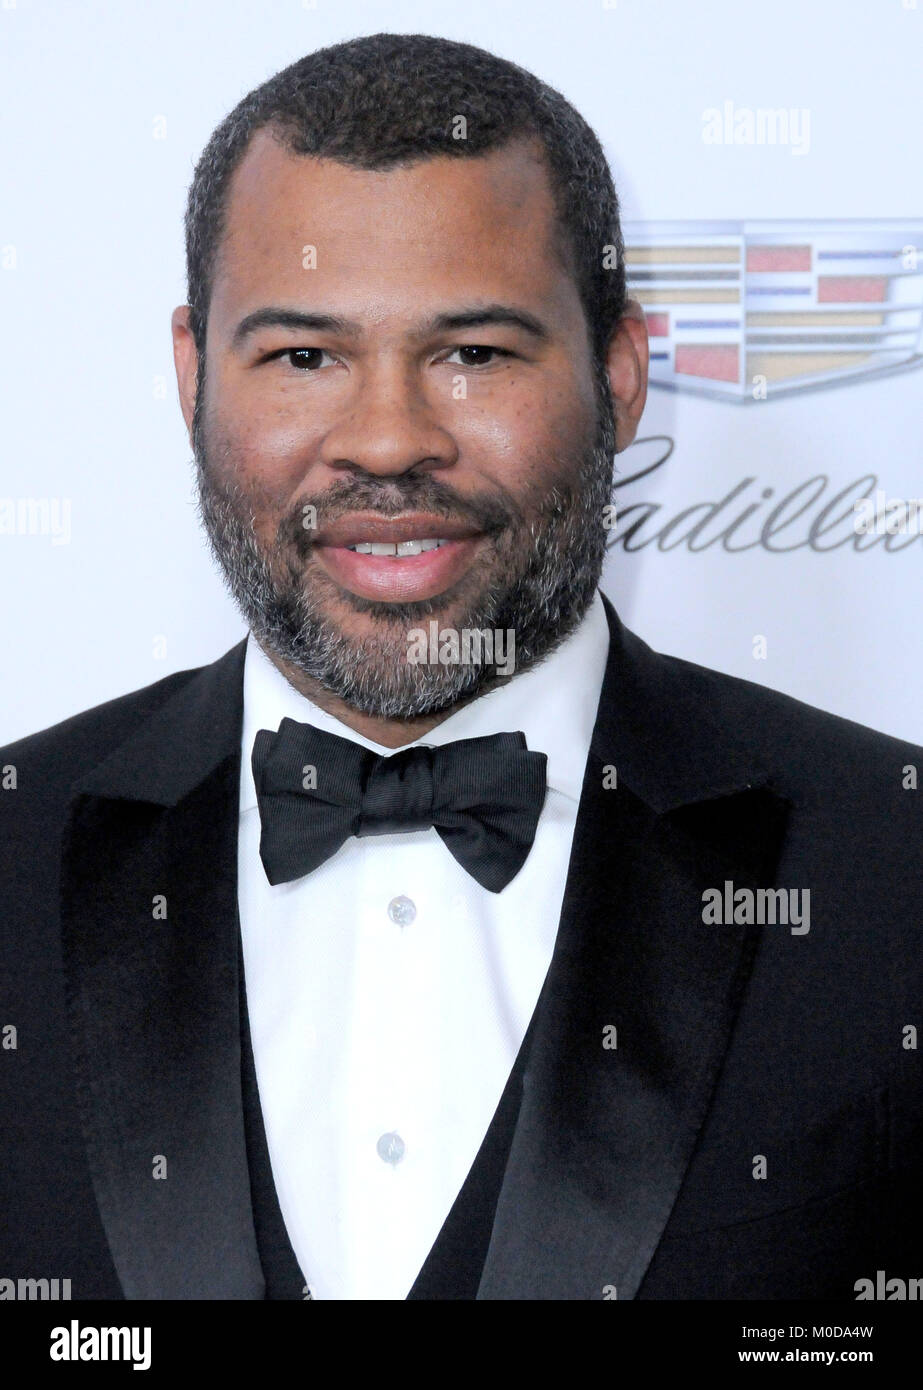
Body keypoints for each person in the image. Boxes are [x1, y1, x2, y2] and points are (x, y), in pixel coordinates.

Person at [1, 32, 920, 1302]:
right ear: (189, 374)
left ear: (618, 371)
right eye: (303, 356)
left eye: (473, 353)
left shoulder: (889, 860)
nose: (387, 442)